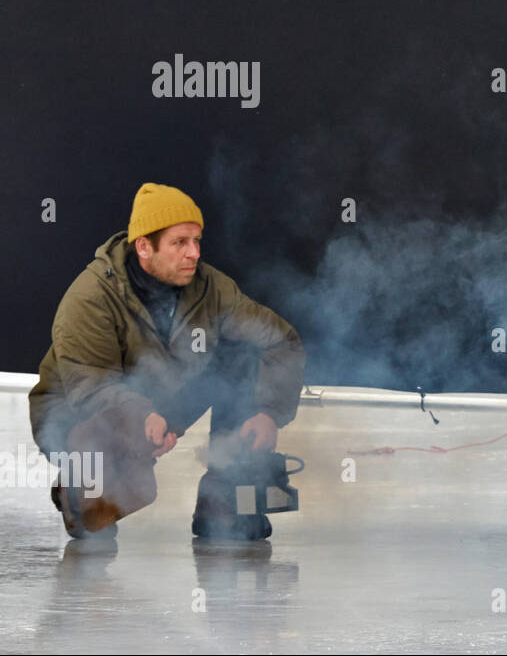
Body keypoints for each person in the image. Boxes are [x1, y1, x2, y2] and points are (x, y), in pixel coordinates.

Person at [29, 183, 306, 541]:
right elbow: (92, 385)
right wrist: (141, 416)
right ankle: (79, 492)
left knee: (241, 354)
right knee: (96, 520)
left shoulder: (211, 288)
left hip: (159, 397)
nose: (194, 253)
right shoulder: (91, 296)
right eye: (179, 243)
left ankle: (223, 500)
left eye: (196, 240)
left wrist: (267, 411)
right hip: (80, 411)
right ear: (144, 246)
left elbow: (280, 341)